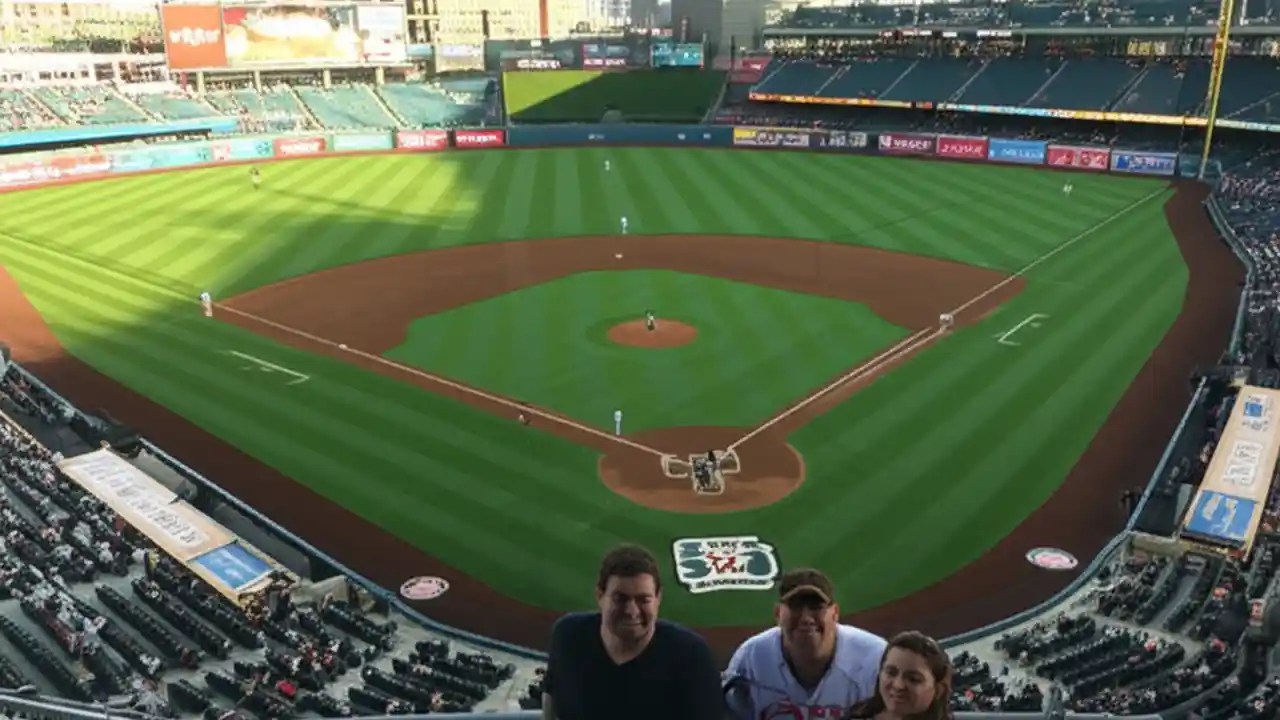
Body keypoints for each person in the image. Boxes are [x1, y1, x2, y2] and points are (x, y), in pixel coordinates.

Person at [541, 545, 722, 720]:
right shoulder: (568, 635)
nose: (631, 611)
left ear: (658, 599)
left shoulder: (691, 656)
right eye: (620, 598)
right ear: (600, 596)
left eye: (643, 599)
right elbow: (551, 695)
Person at [724, 569, 887, 720]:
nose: (806, 618)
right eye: (796, 606)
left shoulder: (875, 659)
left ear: (835, 613)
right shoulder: (751, 658)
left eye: (816, 607)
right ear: (778, 613)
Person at [843, 631, 954, 720]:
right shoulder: (857, 715)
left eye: (913, 679)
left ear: (939, 690)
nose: (898, 685)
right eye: (891, 673)